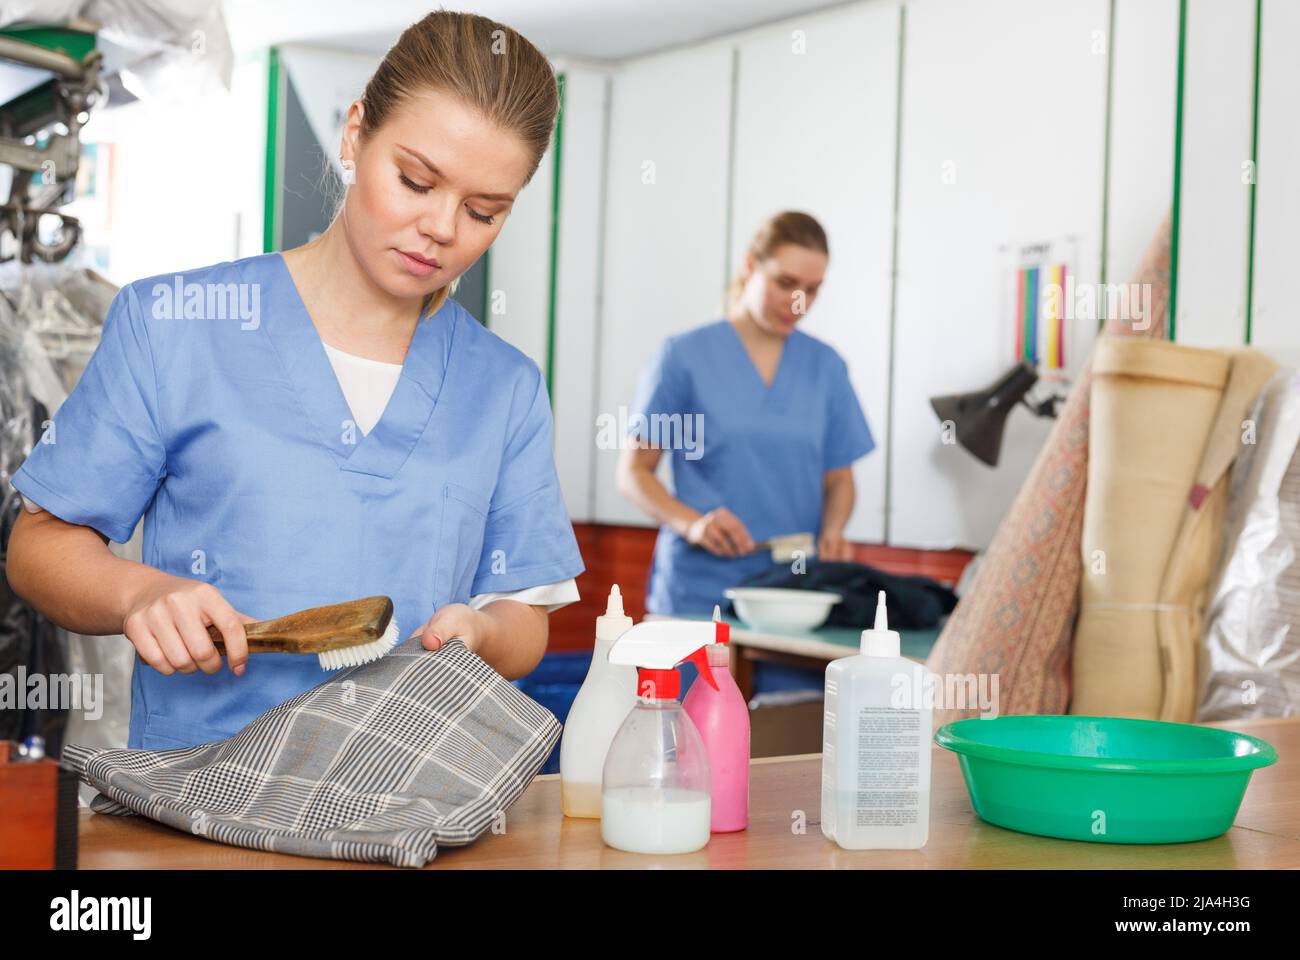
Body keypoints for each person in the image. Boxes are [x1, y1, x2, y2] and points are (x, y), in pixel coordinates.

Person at [6, 11, 585, 750]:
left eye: (483, 212)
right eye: (415, 180)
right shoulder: (176, 324)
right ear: (354, 136)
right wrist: (139, 594)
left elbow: (524, 617)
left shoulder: (504, 388)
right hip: (198, 813)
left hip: (411, 811)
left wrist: (482, 632)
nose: (442, 227)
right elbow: (39, 547)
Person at [617, 211, 875, 616]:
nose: (798, 302)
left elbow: (840, 479)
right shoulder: (685, 359)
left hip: (793, 593)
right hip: (700, 592)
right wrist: (693, 525)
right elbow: (635, 474)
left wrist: (834, 530)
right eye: (785, 283)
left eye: (813, 289)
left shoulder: (825, 367)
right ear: (750, 265)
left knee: (790, 684)